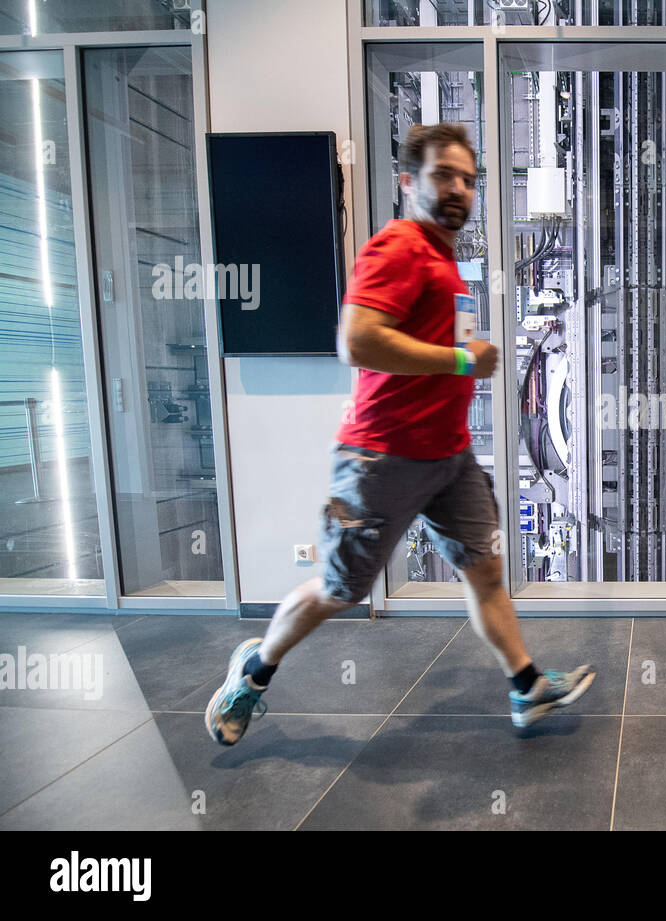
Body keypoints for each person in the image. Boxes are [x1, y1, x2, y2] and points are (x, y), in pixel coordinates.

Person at [206, 123, 594, 745]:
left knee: (485, 572)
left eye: (468, 179)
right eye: (445, 176)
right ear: (409, 181)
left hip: (448, 457)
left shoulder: (441, 258)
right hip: (381, 459)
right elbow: (356, 341)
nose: (459, 190)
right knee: (341, 589)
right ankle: (251, 675)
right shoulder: (397, 249)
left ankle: (526, 690)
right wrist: (462, 361)